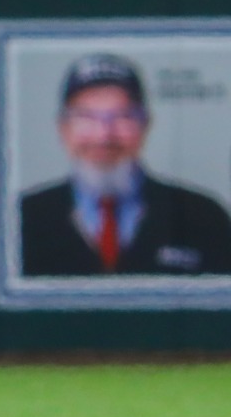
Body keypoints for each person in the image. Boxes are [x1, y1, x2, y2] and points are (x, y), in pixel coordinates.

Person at [18, 53, 231, 276]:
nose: (104, 135)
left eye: (122, 117)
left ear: (145, 125)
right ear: (63, 128)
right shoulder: (23, 219)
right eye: (86, 117)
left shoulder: (202, 216)